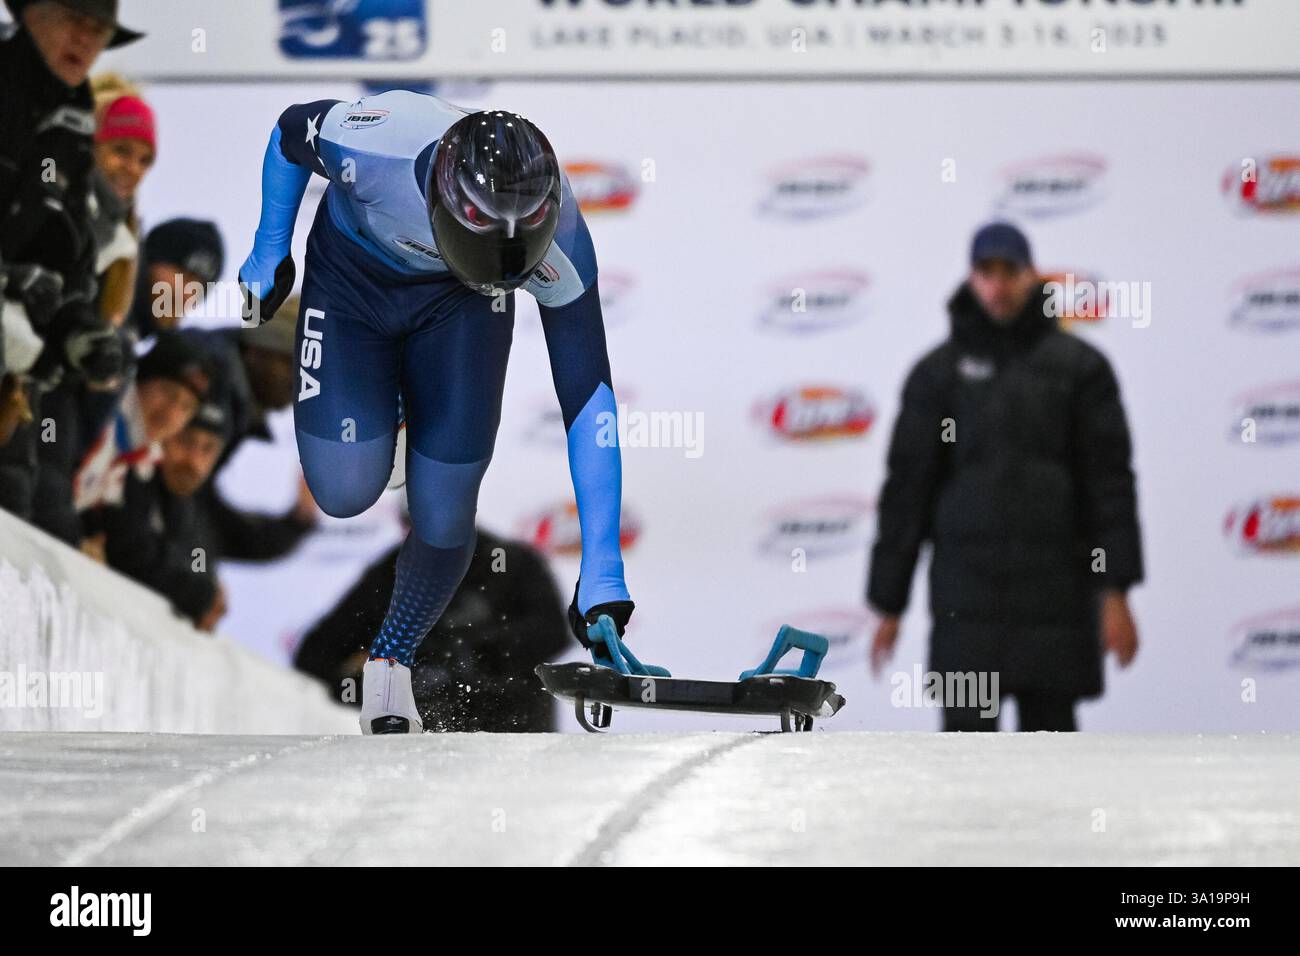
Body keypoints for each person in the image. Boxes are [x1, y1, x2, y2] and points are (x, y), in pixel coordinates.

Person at [239, 91, 647, 733]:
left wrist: (602, 567)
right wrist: (270, 249)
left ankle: (390, 663)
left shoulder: (565, 238)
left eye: (520, 262)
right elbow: (292, 129)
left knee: (445, 506)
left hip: (463, 307)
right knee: (343, 492)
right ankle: (397, 403)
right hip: (352, 287)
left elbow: (589, 401)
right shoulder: (374, 147)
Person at [866, 222, 1143, 732]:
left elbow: (1108, 487)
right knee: (966, 782)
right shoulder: (937, 375)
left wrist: (1116, 592)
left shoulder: (1081, 369)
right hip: (964, 610)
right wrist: (888, 604)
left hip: (1056, 604)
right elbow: (908, 493)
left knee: (1054, 772)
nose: (997, 285)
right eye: (985, 272)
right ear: (971, 279)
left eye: (1009, 271)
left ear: (1032, 276)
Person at [0, 0, 139, 518]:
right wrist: (12, 278)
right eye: (75, 21)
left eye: (99, 30)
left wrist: (80, 332)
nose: (86, 41)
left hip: (9, 374)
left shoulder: (75, 114)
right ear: (32, 13)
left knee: (14, 513)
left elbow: (66, 257)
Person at [294, 525, 569, 732]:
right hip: (421, 749)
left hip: (513, 739)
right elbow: (317, 654)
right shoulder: (392, 570)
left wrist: (477, 653)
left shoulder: (512, 562)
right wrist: (380, 676)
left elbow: (551, 633)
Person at [102, 383, 317, 632]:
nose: (194, 461)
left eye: (208, 449)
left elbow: (255, 540)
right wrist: (200, 592)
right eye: (186, 441)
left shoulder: (204, 508)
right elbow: (130, 550)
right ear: (169, 433)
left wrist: (301, 515)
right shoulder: (130, 478)